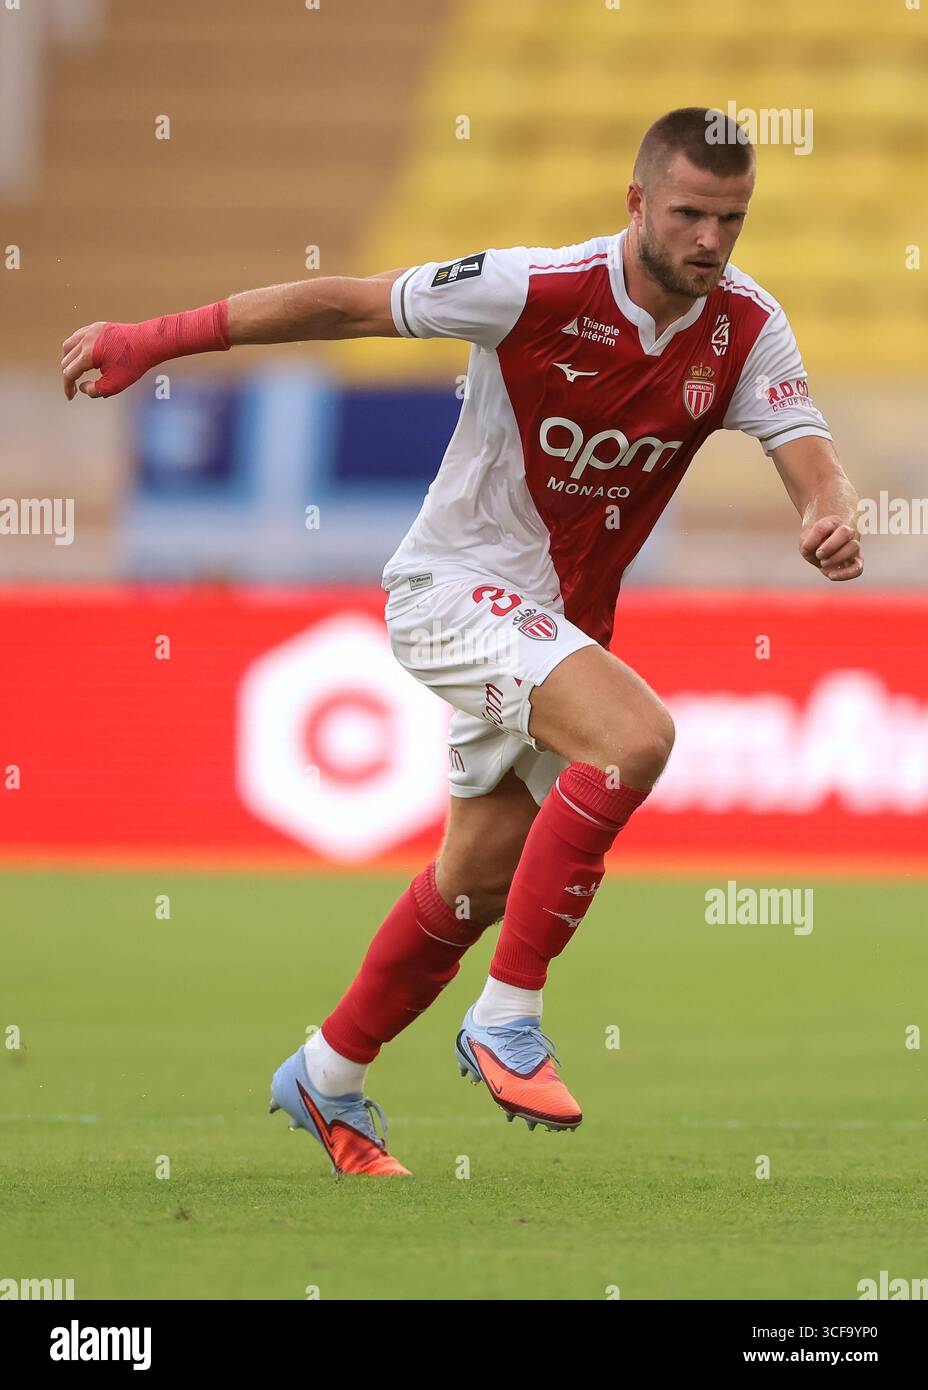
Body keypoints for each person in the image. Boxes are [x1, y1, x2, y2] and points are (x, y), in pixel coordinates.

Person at [62, 108, 863, 1177]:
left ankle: (327, 1073)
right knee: (634, 738)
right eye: (688, 214)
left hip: (555, 629)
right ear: (637, 204)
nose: (710, 240)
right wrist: (151, 342)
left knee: (473, 887)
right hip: (454, 590)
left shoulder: (747, 326)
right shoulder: (534, 288)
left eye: (730, 218)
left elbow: (809, 454)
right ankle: (506, 1019)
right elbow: (343, 305)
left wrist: (832, 513)